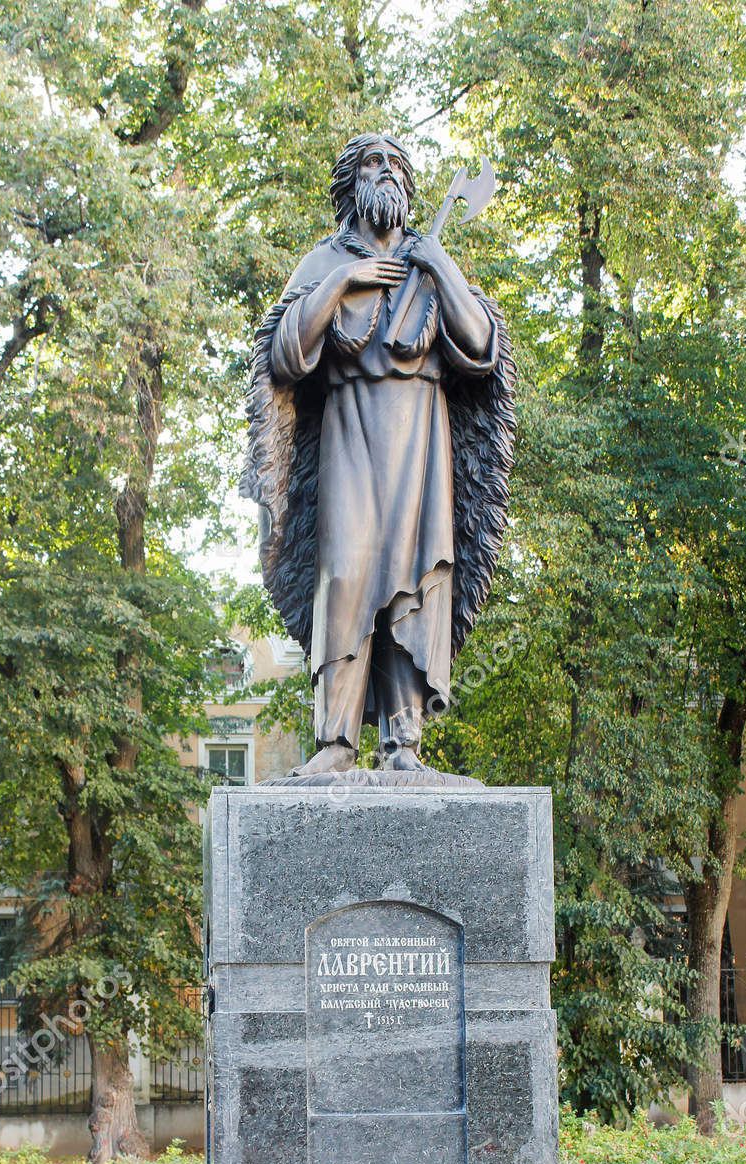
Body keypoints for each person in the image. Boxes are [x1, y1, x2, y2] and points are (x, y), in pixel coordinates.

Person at [241, 133, 515, 775]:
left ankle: (404, 744)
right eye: (375, 164)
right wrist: (346, 279)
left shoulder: (430, 259)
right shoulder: (323, 260)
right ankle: (336, 741)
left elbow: (479, 347)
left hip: (422, 443)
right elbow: (285, 352)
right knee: (345, 575)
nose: (388, 173)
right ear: (352, 183)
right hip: (348, 434)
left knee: (416, 582)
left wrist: (439, 264)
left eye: (398, 165)